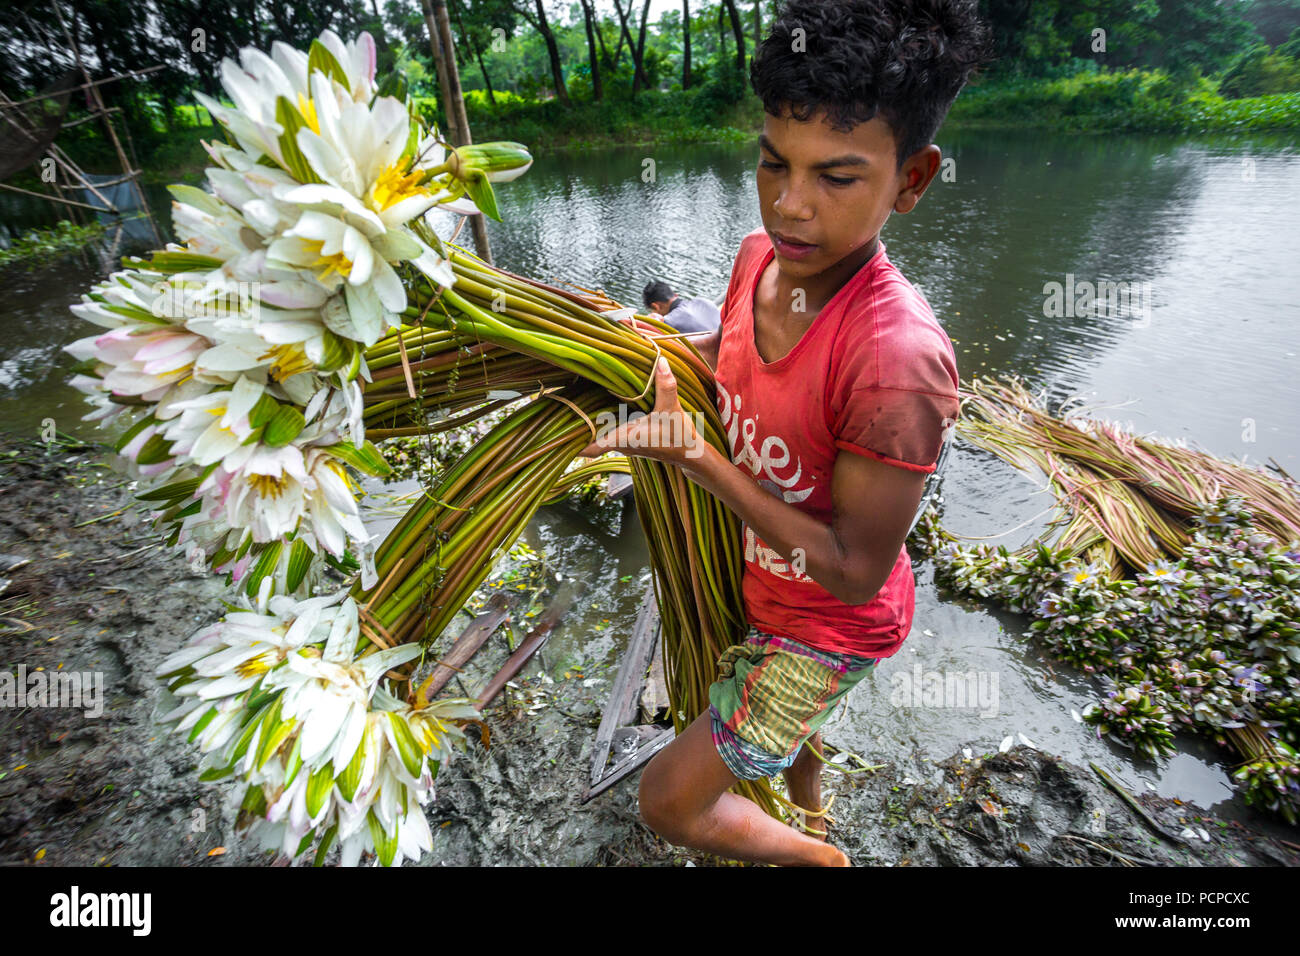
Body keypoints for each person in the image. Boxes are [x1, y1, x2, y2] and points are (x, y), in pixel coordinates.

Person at [582, 0, 990, 866]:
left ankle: (824, 862)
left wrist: (695, 458)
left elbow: (851, 570)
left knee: (669, 802)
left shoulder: (896, 359)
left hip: (827, 627)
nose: (791, 207)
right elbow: (723, 348)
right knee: (795, 741)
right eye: (774, 164)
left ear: (913, 181)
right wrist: (651, 347)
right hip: (763, 582)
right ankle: (812, 813)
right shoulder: (757, 259)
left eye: (837, 178)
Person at [642, 280, 721, 335]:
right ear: (675, 295)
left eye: (652, 310)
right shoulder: (703, 301)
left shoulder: (669, 321)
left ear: (655, 306)